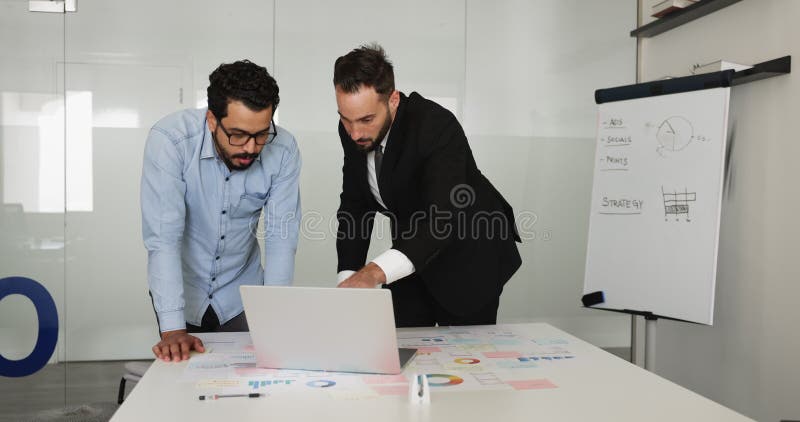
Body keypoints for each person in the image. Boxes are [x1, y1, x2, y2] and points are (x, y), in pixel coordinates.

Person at [333, 44, 521, 327]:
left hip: (469, 252)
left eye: (366, 120)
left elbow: (441, 219)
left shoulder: (436, 125)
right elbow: (355, 205)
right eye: (345, 119)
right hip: (411, 251)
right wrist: (348, 281)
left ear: (393, 99)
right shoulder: (352, 130)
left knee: (464, 359)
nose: (355, 132)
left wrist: (371, 273)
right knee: (397, 341)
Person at [141, 60, 301, 362]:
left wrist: (276, 316)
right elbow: (163, 239)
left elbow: (282, 239)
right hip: (181, 290)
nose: (251, 148)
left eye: (262, 134)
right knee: (184, 384)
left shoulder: (284, 150)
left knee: (250, 382)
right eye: (238, 135)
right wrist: (172, 328)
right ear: (212, 120)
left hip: (242, 292)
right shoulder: (171, 141)